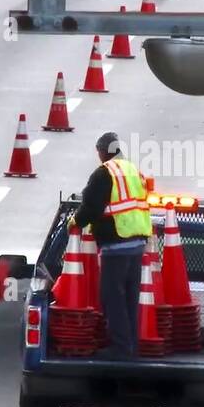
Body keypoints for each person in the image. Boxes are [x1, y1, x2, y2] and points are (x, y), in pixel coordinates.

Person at [70, 132, 152, 359]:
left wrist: (75, 221)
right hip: (136, 244)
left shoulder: (104, 173)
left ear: (103, 150)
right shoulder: (133, 170)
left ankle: (121, 348)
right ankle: (130, 346)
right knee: (129, 299)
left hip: (116, 244)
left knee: (112, 297)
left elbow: (91, 207)